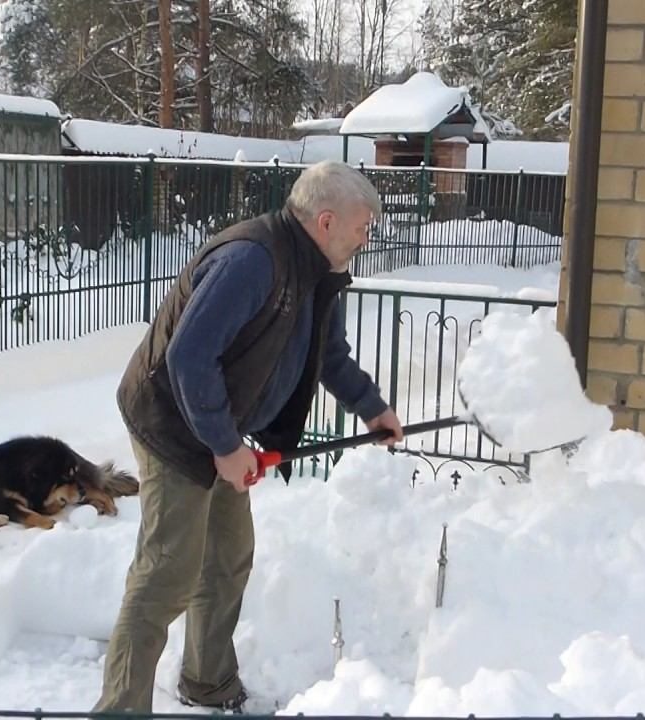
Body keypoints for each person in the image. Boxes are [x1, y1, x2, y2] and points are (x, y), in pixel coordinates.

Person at [94, 160, 404, 713]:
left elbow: (328, 354)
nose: (366, 238)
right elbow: (189, 357)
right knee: (167, 572)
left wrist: (371, 407)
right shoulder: (252, 260)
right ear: (327, 221)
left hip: (218, 423)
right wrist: (224, 446)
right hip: (171, 421)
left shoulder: (315, 272)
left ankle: (207, 681)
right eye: (363, 227)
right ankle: (120, 709)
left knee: (227, 556)